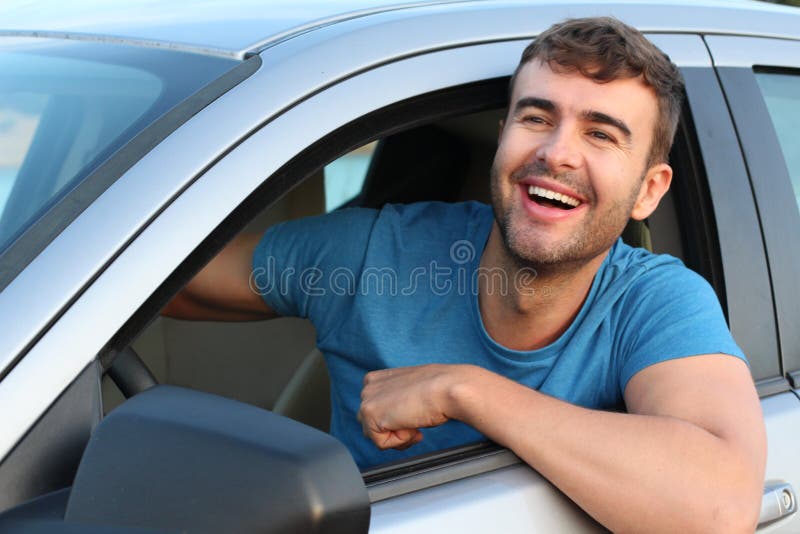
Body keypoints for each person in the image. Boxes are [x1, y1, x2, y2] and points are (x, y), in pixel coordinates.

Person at [163, 17, 766, 532]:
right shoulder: (378, 255)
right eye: (536, 118)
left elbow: (721, 506)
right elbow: (161, 281)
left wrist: (464, 391)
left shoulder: (655, 302)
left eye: (601, 134)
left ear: (649, 191)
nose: (557, 152)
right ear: (503, 138)